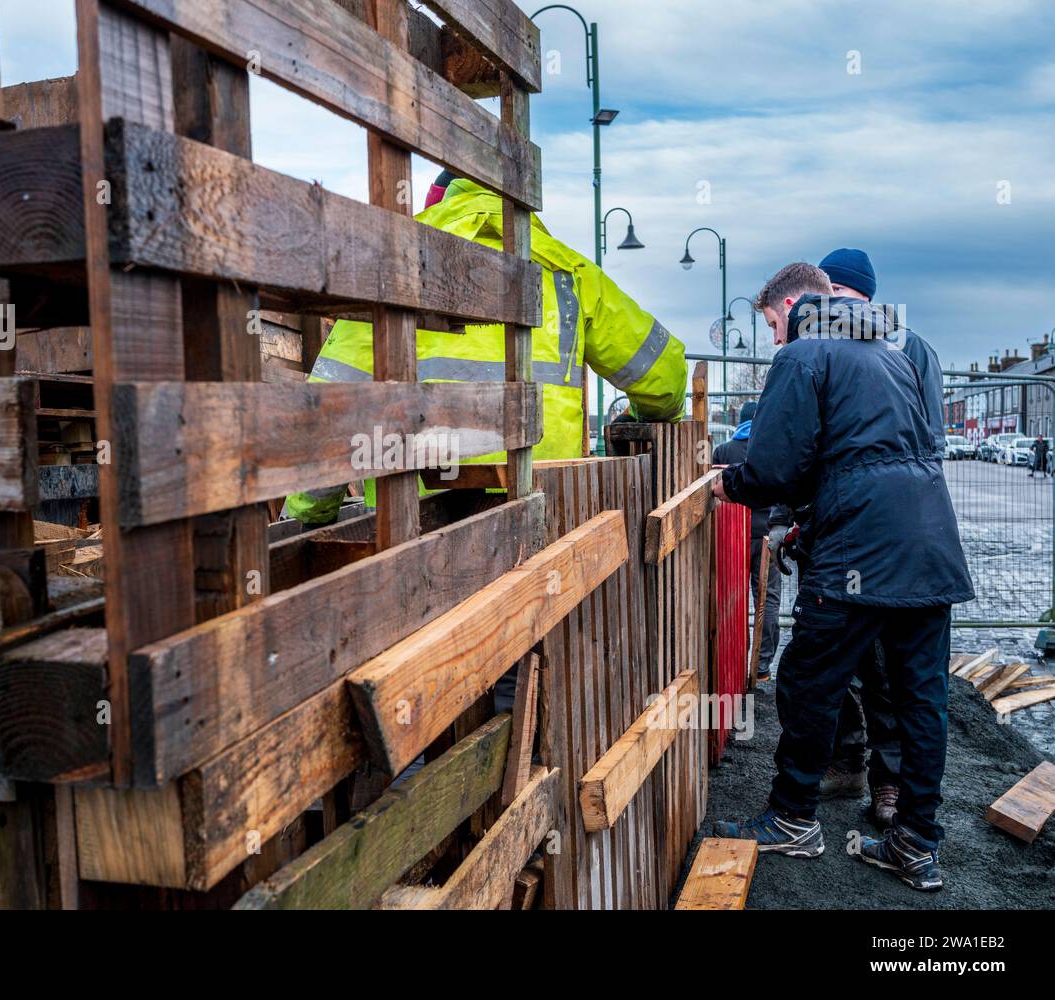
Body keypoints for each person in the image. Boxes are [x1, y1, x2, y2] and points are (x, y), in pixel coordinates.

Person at [710, 263, 974, 892]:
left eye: (773, 323)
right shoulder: (891, 351)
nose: (775, 339)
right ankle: (914, 842)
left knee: (807, 680)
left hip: (859, 547)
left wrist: (729, 482)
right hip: (929, 542)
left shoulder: (805, 353)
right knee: (921, 696)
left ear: (795, 305)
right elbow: (877, 449)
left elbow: (776, 466)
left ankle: (793, 817)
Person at [285, 171, 689, 526]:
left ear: (438, 203)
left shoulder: (389, 265)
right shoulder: (567, 272)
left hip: (412, 538)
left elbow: (332, 407)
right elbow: (665, 377)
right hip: (542, 522)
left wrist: (310, 514)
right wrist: (645, 416)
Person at [713, 400, 781, 681]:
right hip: (768, 535)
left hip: (734, 534)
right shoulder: (771, 450)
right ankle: (762, 666)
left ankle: (735, 662)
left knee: (733, 597)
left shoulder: (724, 450)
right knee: (768, 599)